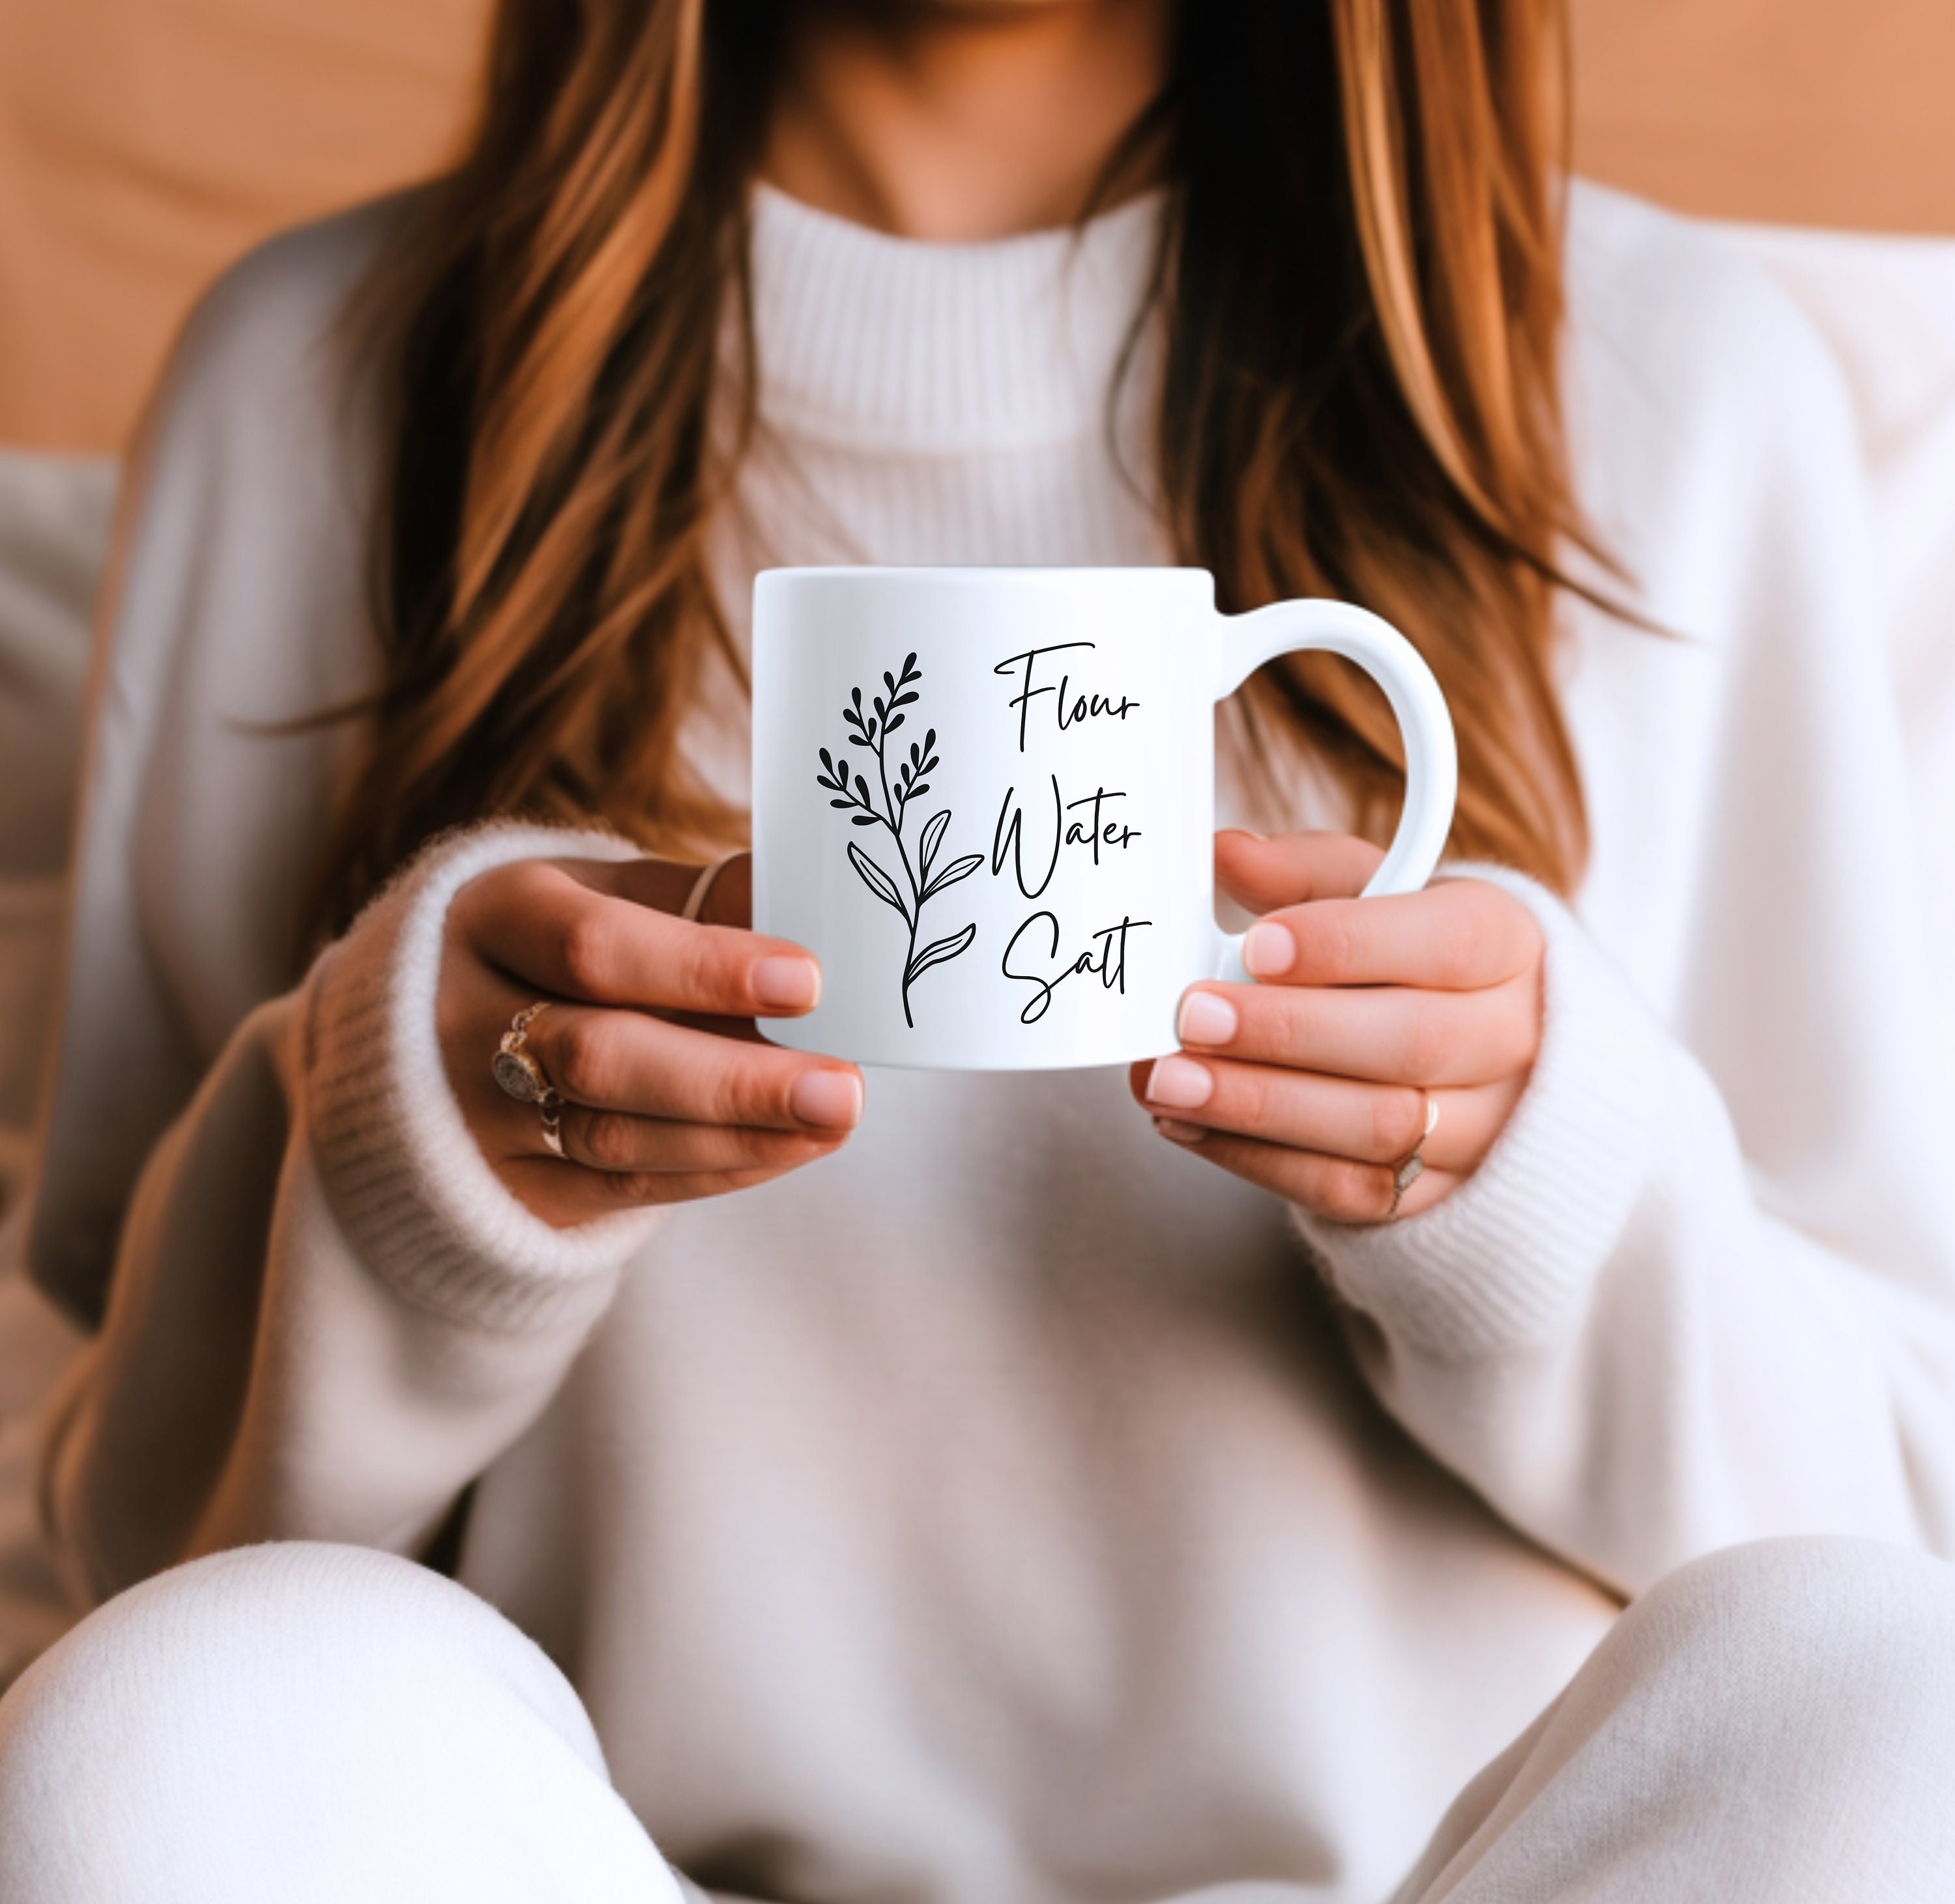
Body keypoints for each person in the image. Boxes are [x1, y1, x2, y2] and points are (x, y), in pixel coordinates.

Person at [4, 1, 1954, 1898]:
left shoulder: (1681, 388)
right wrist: (393, 1169)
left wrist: (1552, 1189)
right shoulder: (313, 382)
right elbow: (112, 1552)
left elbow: (1885, 1530)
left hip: (1481, 1872)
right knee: (179, 1723)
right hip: (597, 1857)